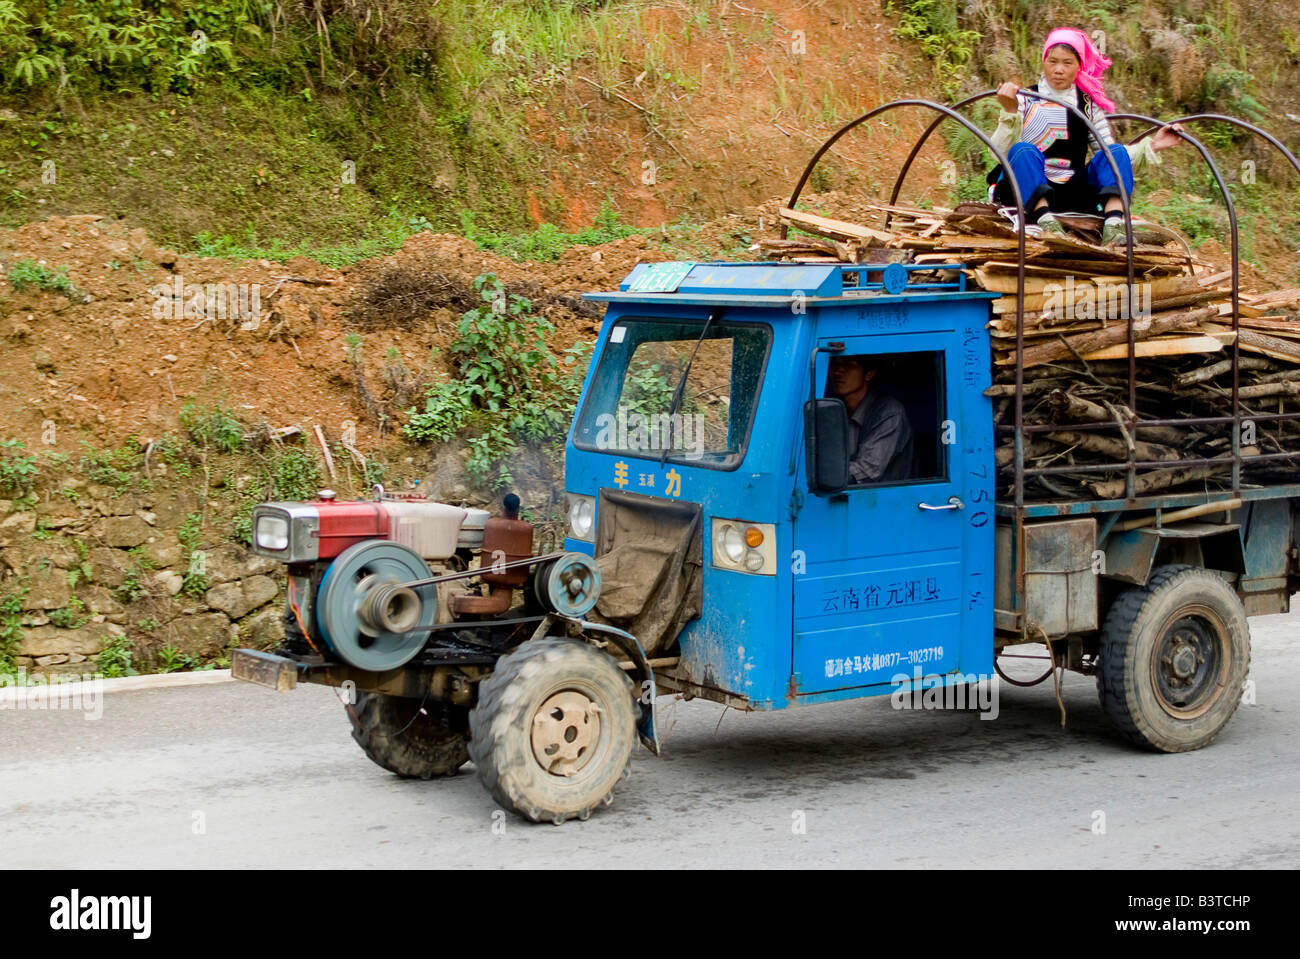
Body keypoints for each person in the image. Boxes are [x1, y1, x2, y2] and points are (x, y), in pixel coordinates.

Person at [988, 27, 1186, 245]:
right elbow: (998, 153)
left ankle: (1113, 227)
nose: (1059, 70)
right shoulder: (1024, 99)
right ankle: (1047, 224)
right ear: (1044, 62)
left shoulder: (1088, 107)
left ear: (1079, 66)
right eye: (1052, 62)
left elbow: (1109, 158)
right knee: (1023, 150)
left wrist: (1154, 145)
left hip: (1071, 191)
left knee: (1116, 152)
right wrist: (1008, 112)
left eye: (1067, 63)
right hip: (1026, 188)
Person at [828, 354, 916, 484]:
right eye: (834, 363)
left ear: (869, 374)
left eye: (849, 364)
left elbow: (866, 470)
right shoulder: (833, 410)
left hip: (886, 501)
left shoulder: (890, 412)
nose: (838, 370)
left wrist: (825, 475)